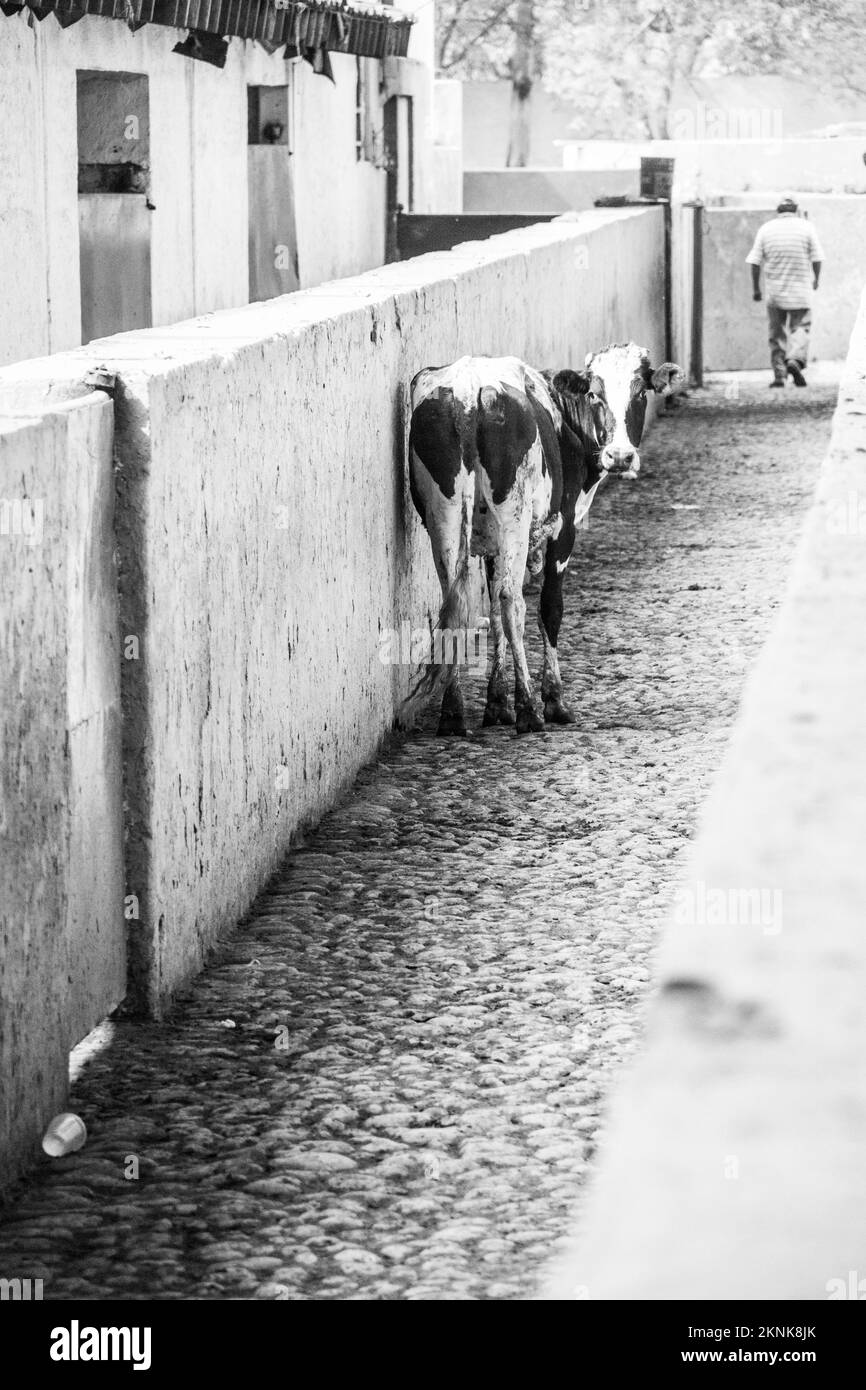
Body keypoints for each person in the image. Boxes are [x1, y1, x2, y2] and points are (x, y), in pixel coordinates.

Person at [745, 197, 824, 388]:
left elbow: (755, 261)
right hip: (800, 292)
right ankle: (794, 361)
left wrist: (756, 288)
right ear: (796, 209)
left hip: (775, 293)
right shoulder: (807, 228)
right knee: (800, 328)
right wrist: (816, 279)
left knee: (777, 333)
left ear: (778, 210)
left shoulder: (766, 229)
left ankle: (780, 375)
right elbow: (817, 258)